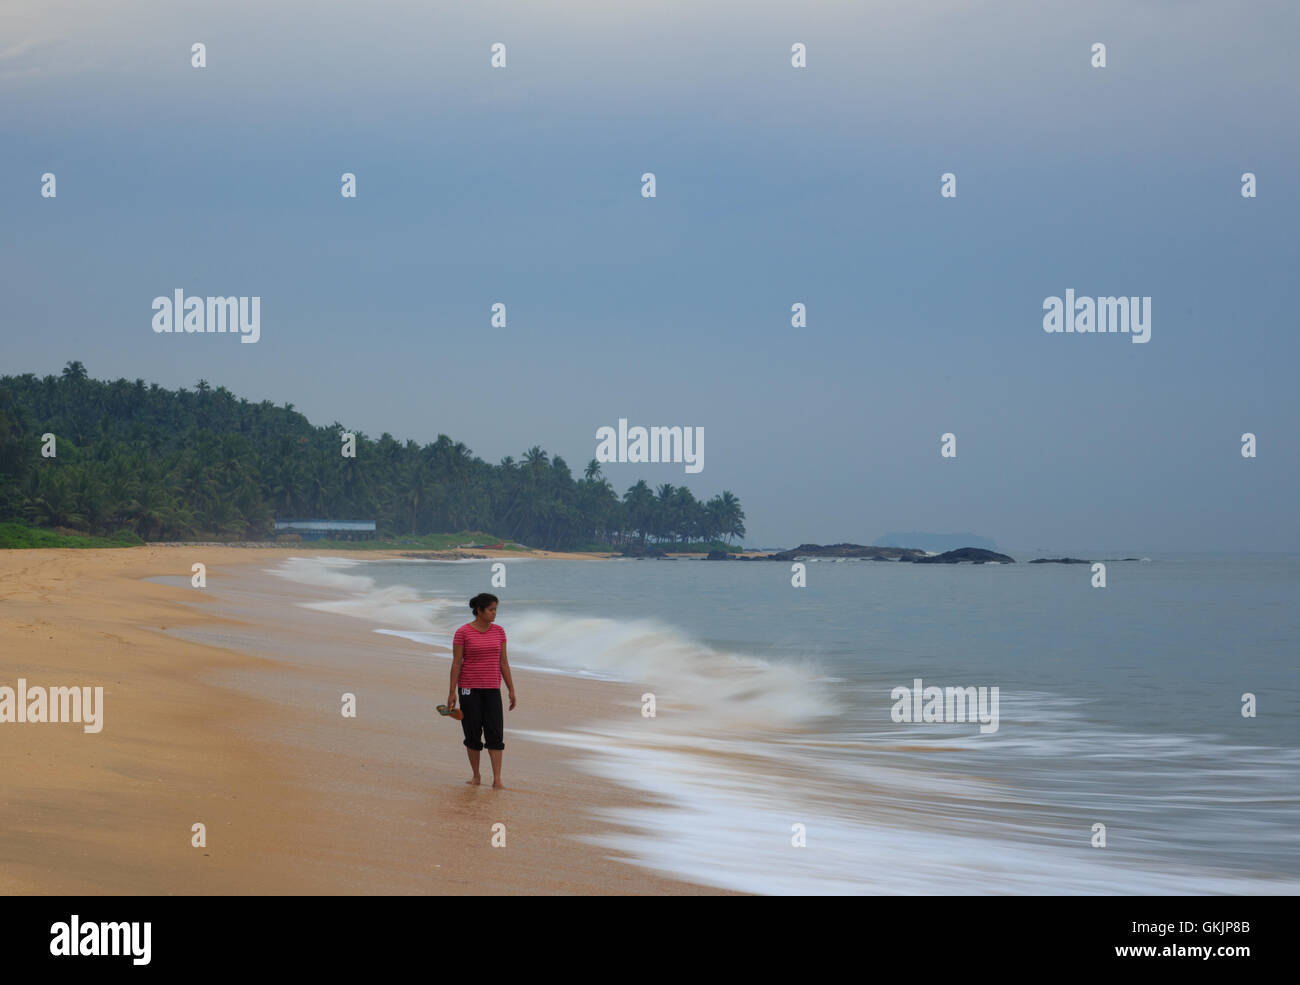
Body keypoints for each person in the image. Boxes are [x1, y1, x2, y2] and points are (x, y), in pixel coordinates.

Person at [448, 592, 516, 788]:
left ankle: (497, 779)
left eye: (496, 609)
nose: (495, 613)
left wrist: (511, 689)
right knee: (472, 733)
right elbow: (456, 663)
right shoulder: (463, 632)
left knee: (495, 734)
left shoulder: (499, 632)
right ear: (479, 610)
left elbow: (504, 662)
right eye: (491, 609)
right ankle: (476, 776)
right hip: (469, 689)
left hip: (492, 689)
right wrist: (452, 692)